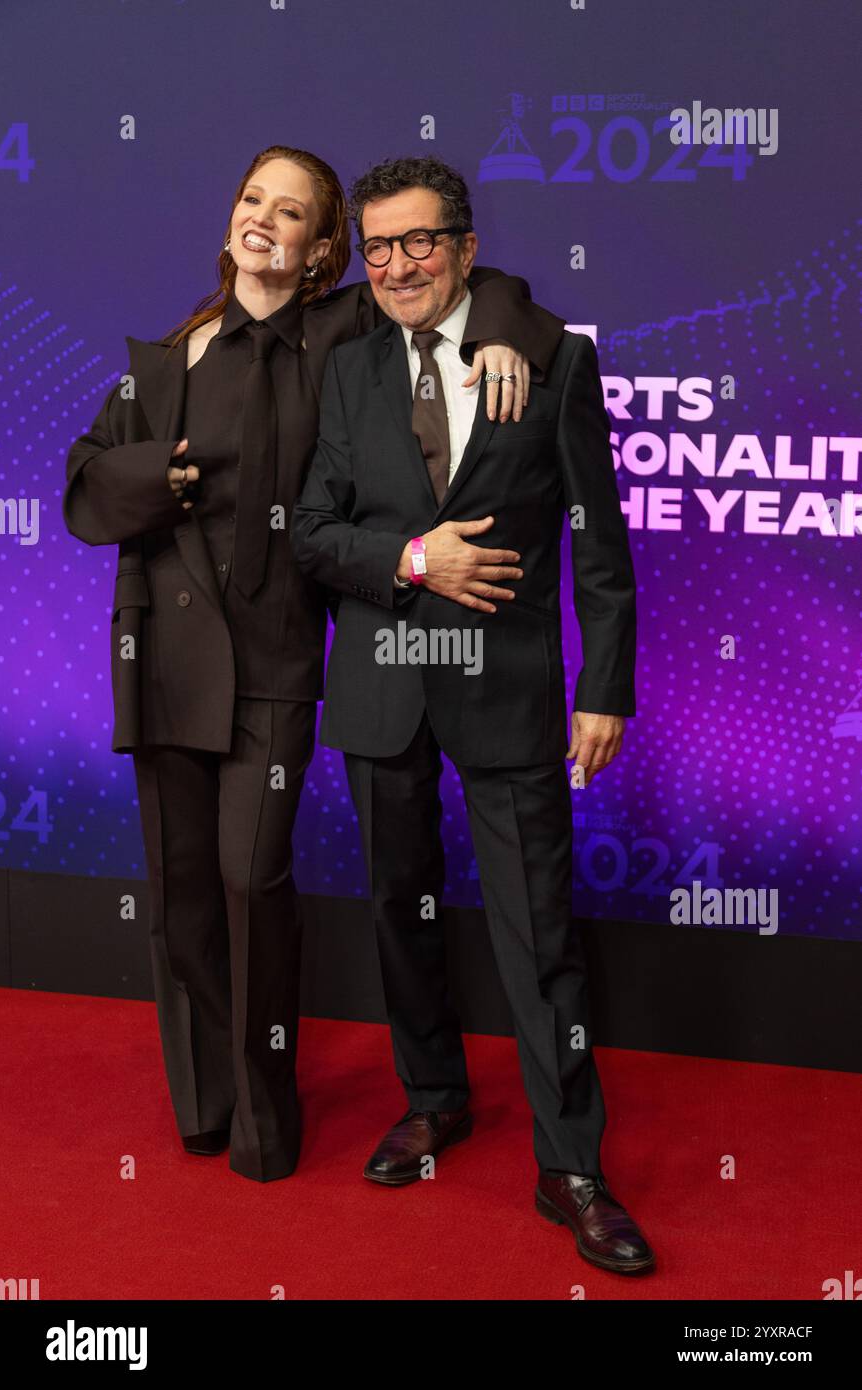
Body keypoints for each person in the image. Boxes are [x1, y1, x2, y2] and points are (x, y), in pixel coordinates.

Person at [63, 145, 564, 1184]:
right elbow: (81, 488)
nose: (263, 220)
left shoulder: (340, 327)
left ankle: (263, 1115)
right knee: (184, 894)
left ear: (320, 248)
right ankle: (202, 1106)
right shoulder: (167, 355)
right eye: (252, 198)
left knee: (252, 883)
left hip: (280, 662)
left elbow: (466, 281)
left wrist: (510, 333)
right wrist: (162, 473)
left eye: (290, 213)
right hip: (164, 657)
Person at [291, 155, 655, 1274]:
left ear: (462, 244)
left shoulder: (551, 360)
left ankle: (571, 1165)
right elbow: (308, 531)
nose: (397, 265)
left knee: (539, 934)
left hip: (510, 692)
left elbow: (598, 540)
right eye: (378, 247)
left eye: (418, 242)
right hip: (383, 683)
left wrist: (603, 686)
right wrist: (411, 555)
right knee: (400, 912)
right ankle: (434, 1098)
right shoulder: (344, 370)